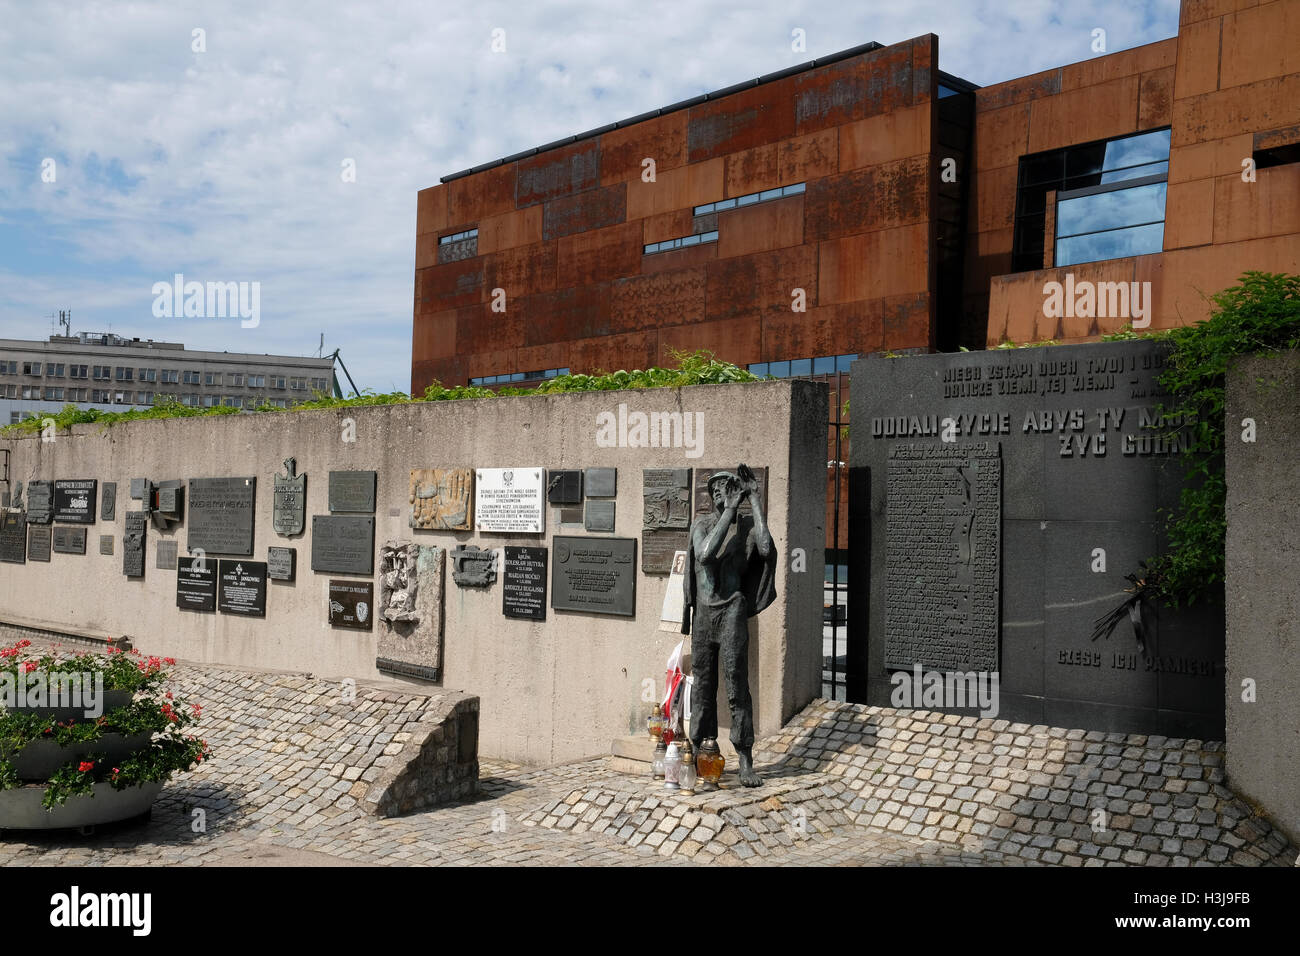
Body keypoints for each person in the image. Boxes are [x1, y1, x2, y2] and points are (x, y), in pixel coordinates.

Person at [682, 463, 776, 786]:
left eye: (730, 487)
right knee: (703, 688)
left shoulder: (747, 526)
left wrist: (755, 501)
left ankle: (745, 757)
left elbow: (765, 548)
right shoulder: (702, 524)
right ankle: (699, 750)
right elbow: (706, 554)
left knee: (737, 684)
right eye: (718, 489)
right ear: (712, 496)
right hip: (705, 616)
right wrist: (730, 512)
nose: (724, 492)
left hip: (733, 610)